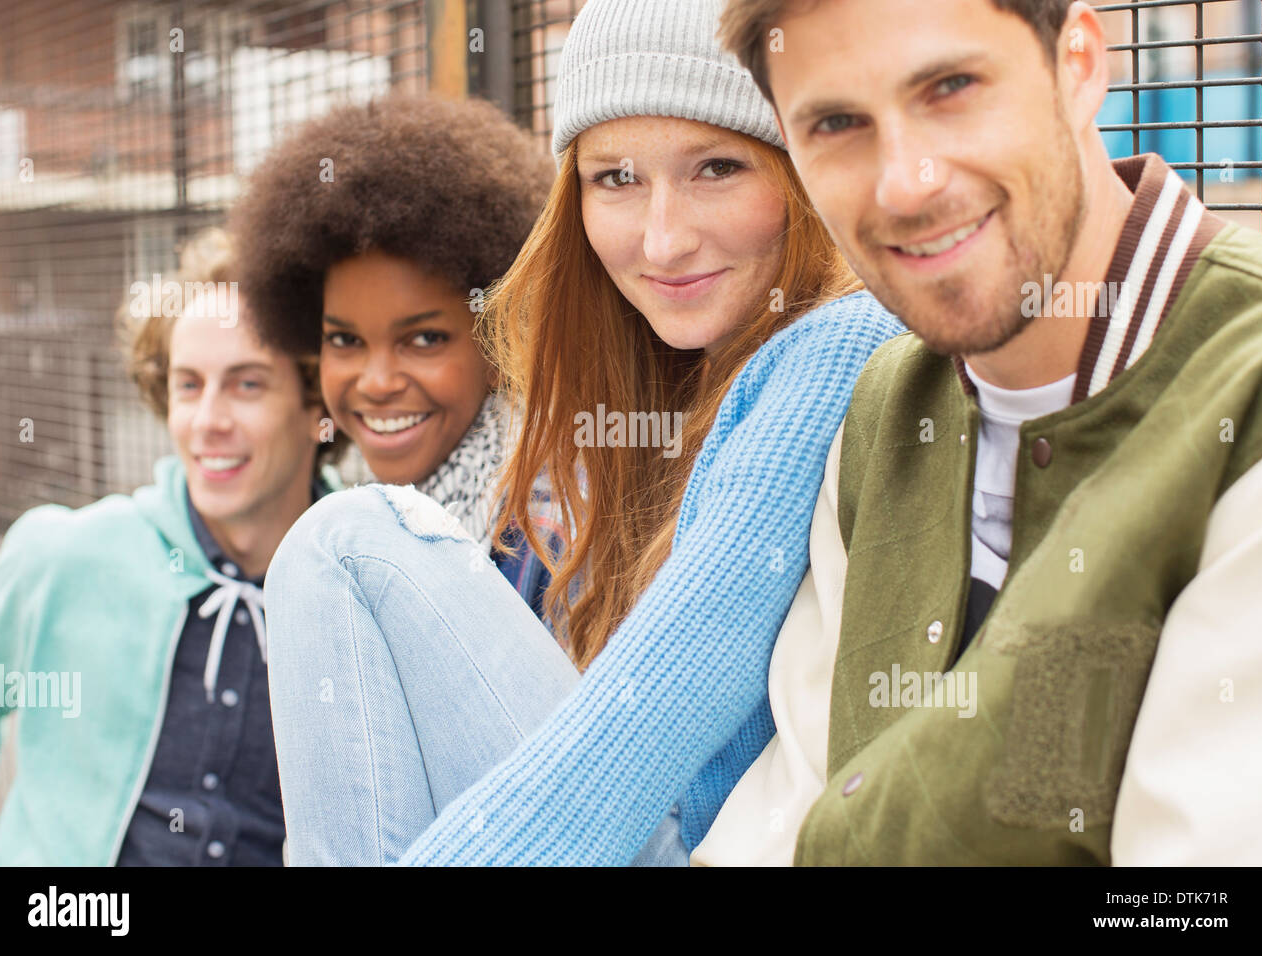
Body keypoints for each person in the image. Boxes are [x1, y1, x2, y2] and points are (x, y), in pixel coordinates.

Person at [262, 0, 903, 865]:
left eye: (717, 167)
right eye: (615, 178)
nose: (664, 238)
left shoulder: (838, 341)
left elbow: (644, 727)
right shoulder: (660, 387)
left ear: (803, 172)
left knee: (345, 544)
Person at [708, 0, 1262, 864]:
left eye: (951, 86)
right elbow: (782, 823)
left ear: (1078, 63)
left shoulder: (1253, 381)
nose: (906, 181)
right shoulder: (885, 406)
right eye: (835, 123)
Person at [0, 228, 344, 865]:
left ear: (315, 398)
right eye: (188, 385)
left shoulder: (358, 596)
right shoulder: (61, 556)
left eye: (247, 384)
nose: (208, 422)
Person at [228, 94, 558, 620]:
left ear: (499, 342)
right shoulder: (359, 515)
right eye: (345, 341)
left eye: (424, 339)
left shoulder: (546, 535)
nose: (377, 382)